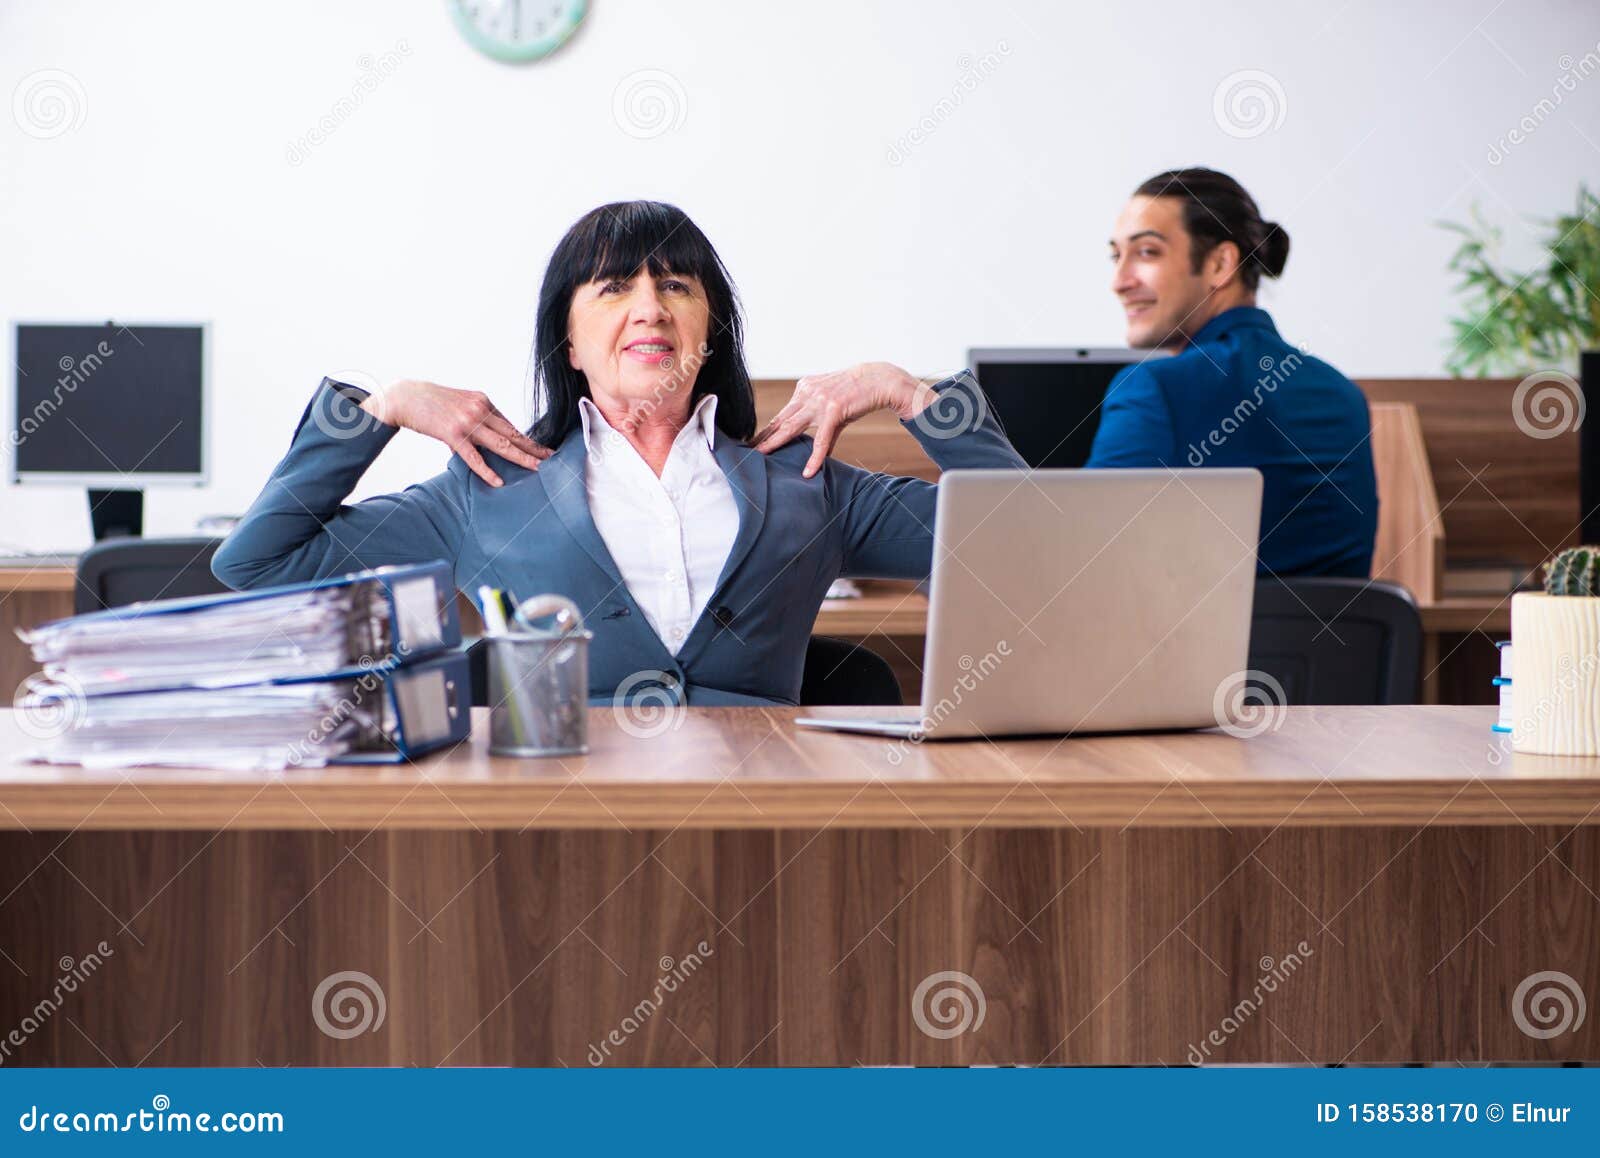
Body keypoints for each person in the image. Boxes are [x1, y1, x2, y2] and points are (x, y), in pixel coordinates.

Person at [211, 200, 1026, 706]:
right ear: (568, 341)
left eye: (676, 287)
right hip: (558, 830)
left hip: (771, 818)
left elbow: (1039, 545)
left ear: (709, 337)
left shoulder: (808, 482)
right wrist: (377, 407)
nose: (650, 309)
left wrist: (912, 393)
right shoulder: (486, 489)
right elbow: (258, 563)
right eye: (613, 288)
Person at [1087, 168, 1377, 577]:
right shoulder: (1344, 396)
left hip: (1198, 643)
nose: (1120, 281)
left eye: (1147, 252)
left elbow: (1080, 565)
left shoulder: (1151, 390)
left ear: (1220, 263)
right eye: (1116, 256)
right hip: (1338, 642)